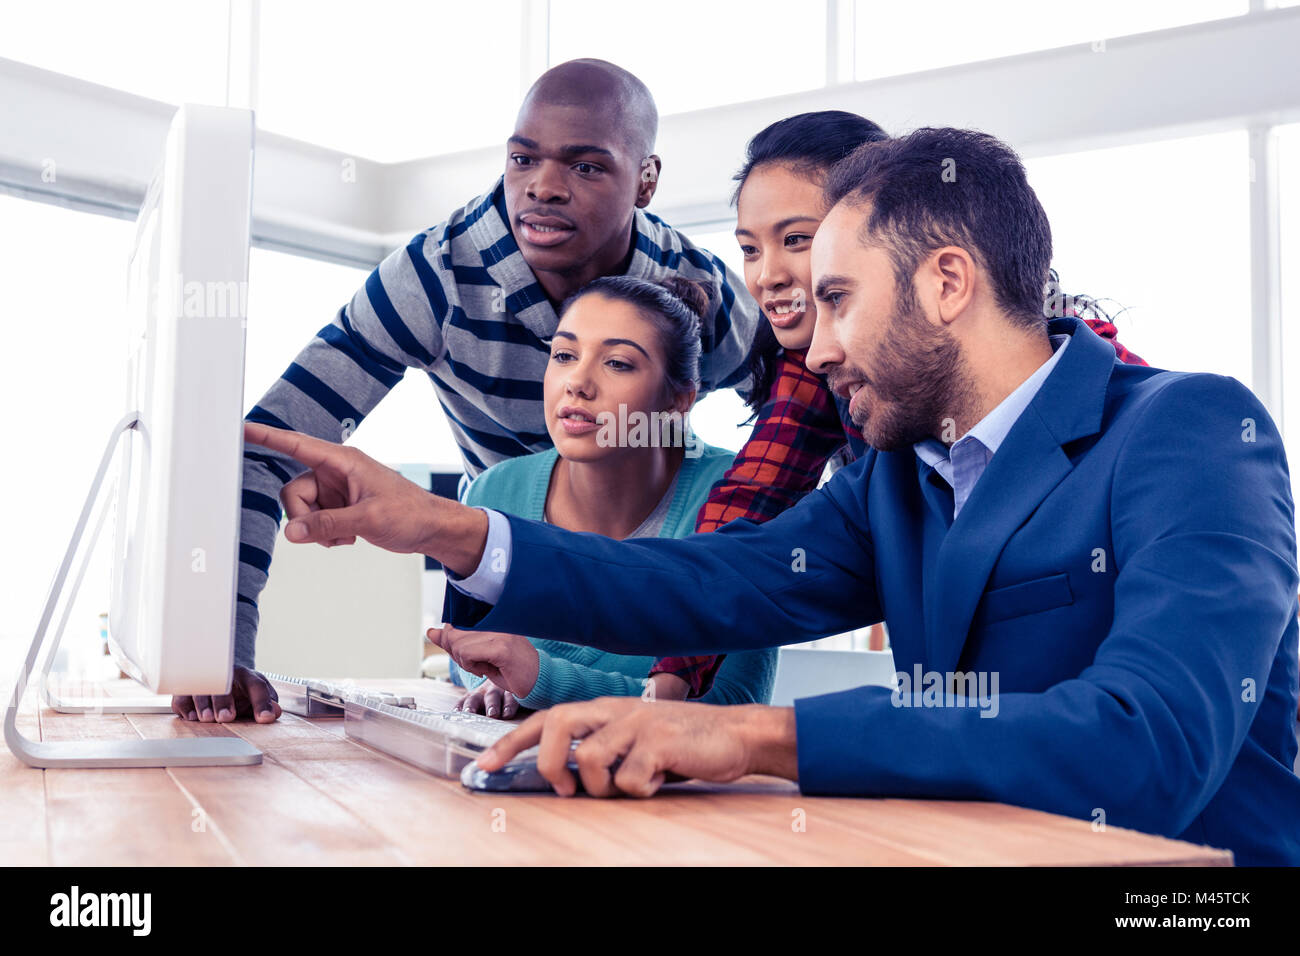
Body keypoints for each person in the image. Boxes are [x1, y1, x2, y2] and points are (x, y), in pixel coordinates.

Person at [241, 127, 1300, 866]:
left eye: (838, 299)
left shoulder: (1190, 431)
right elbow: (716, 578)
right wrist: (445, 527)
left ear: (945, 282)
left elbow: (1144, 741)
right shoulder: (899, 470)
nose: (816, 346)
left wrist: (756, 738)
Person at [171, 58, 761, 725]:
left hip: (655, 611)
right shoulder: (436, 279)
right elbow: (265, 447)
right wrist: (217, 650)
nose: (543, 188)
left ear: (646, 181)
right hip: (508, 595)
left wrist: (756, 526)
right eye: (522, 159)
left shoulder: (698, 289)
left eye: (586, 167)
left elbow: (809, 411)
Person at [650, 111, 1148, 696]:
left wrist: (767, 741)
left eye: (798, 240)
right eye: (749, 249)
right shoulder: (822, 378)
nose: (768, 276)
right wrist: (673, 679)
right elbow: (749, 516)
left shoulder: (1122, 409)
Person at [437, 276, 776, 716]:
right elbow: (467, 644)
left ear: (678, 400)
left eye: (617, 363)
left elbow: (733, 703)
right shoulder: (494, 490)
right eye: (563, 355)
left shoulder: (741, 493)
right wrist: (491, 679)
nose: (576, 382)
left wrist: (540, 680)